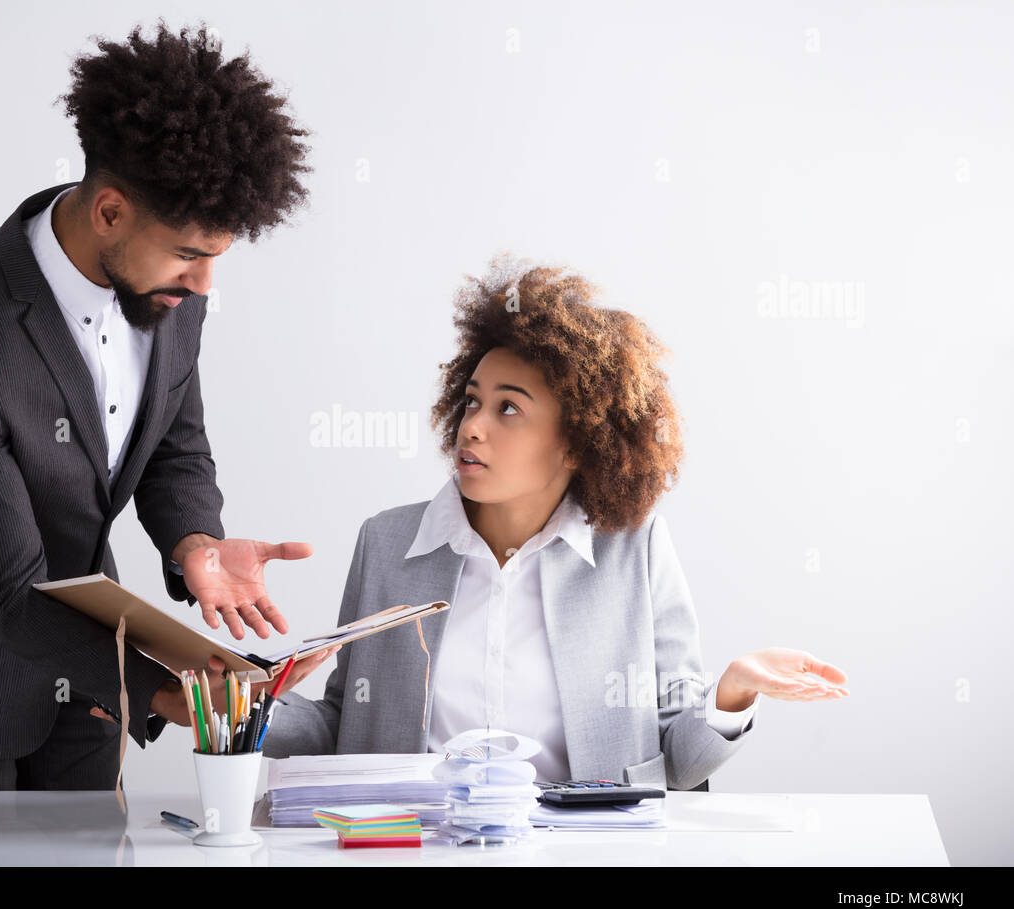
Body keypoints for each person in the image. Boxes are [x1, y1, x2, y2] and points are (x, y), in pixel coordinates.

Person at [0, 20, 332, 791]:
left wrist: (193, 544)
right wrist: (171, 694)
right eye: (191, 255)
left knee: (89, 850)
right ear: (109, 212)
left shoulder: (172, 289)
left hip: (92, 655)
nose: (206, 285)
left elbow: (175, 443)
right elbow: (8, 591)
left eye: (217, 256)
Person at [262, 255, 850, 790]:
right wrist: (243, 706)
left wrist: (734, 688)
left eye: (508, 408)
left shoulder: (635, 550)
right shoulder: (388, 542)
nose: (472, 426)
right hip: (415, 847)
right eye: (471, 400)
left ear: (577, 443)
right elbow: (350, 724)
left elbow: (680, 761)